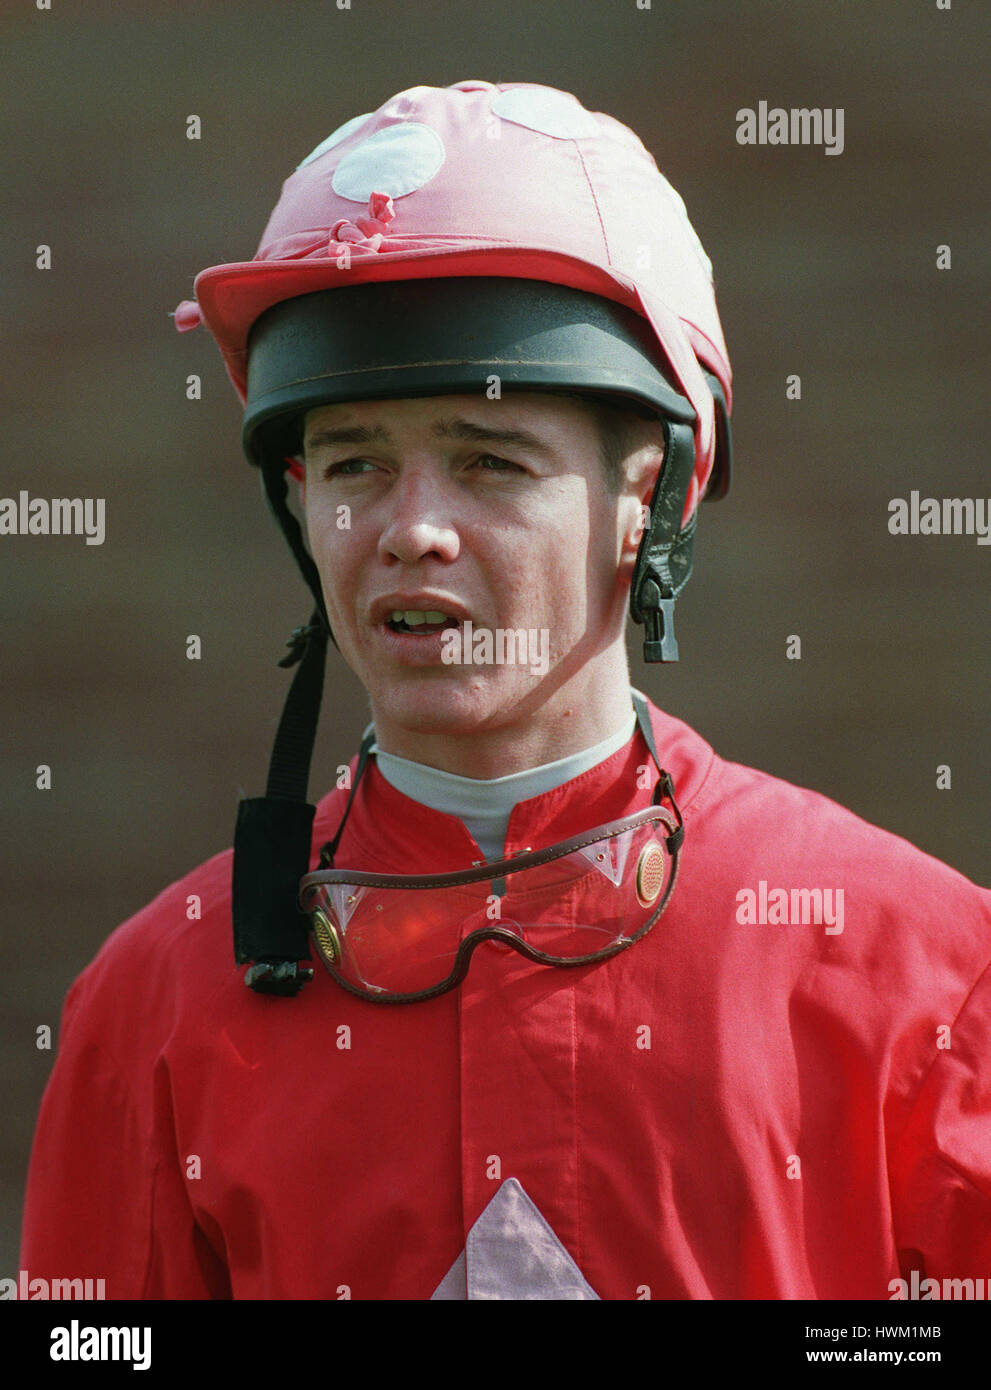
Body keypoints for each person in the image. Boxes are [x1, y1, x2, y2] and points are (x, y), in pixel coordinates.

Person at [20, 81, 991, 1301]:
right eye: (353, 462)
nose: (411, 528)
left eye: (489, 461)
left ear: (654, 495)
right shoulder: (148, 1004)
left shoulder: (930, 971)